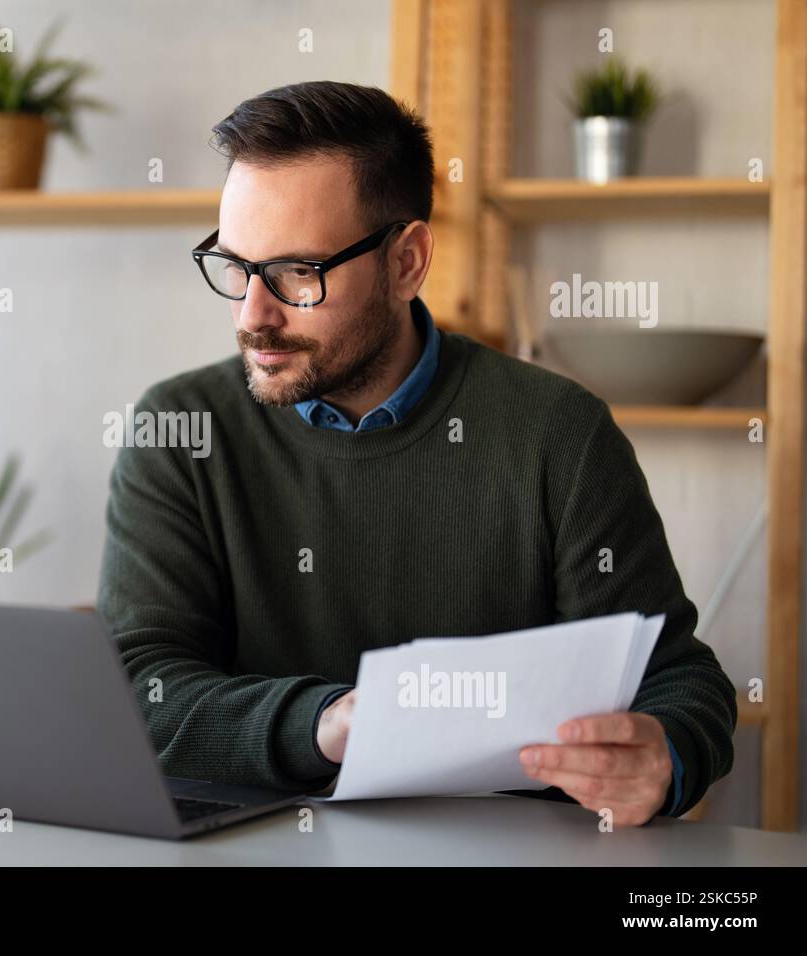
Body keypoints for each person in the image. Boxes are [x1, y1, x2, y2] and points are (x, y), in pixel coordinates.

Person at [96, 81, 736, 826]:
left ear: (406, 261)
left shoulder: (559, 432)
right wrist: (329, 723)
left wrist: (664, 755)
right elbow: (138, 692)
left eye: (298, 273)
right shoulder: (180, 429)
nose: (252, 315)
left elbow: (681, 681)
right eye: (235, 265)